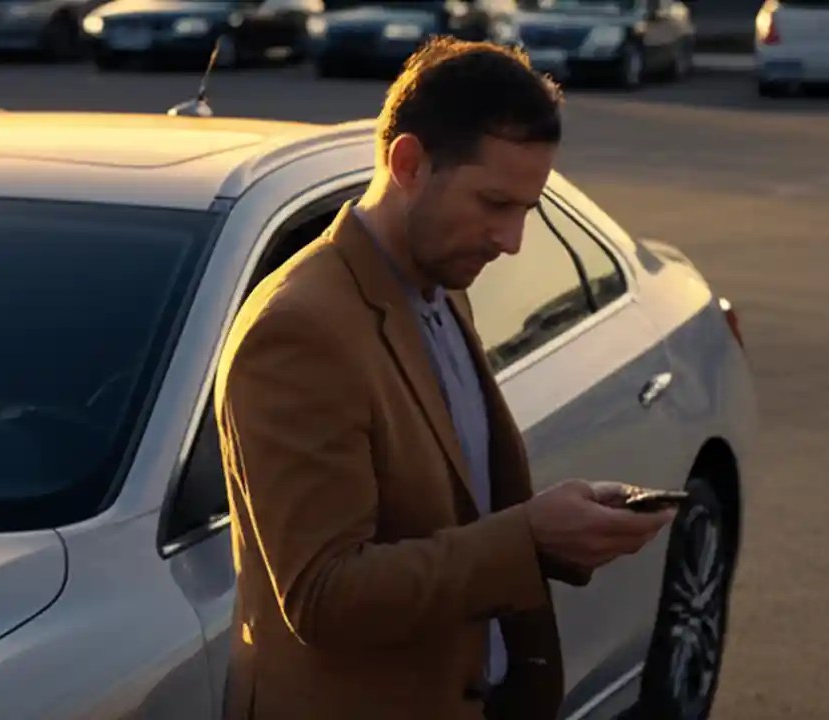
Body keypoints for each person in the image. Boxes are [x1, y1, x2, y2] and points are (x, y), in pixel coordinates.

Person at [214, 37, 677, 720]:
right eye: (494, 204)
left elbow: (450, 512)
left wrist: (559, 532)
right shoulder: (300, 331)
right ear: (408, 163)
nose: (512, 241)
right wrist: (529, 539)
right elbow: (324, 595)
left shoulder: (442, 284)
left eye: (526, 210)